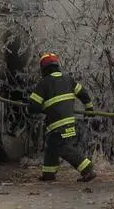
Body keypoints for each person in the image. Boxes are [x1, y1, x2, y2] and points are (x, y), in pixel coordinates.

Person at [27, 52, 97, 182]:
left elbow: (33, 107)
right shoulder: (68, 80)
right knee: (51, 147)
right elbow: (83, 93)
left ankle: (87, 169)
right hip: (70, 123)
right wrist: (89, 108)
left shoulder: (44, 83)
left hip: (56, 125)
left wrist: (39, 107)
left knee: (64, 148)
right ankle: (48, 174)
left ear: (43, 69)